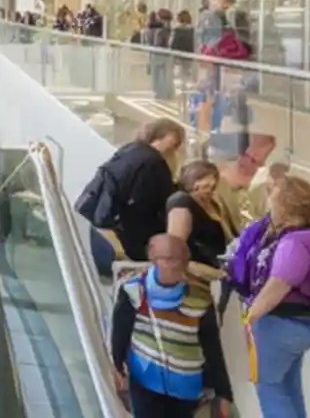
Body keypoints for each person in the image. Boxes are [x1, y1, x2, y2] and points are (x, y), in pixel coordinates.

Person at [110, 234, 233, 418]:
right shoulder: (133, 290)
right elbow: (120, 331)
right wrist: (117, 365)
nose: (175, 265)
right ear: (153, 259)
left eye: (180, 259)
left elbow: (212, 347)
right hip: (145, 379)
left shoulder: (200, 299)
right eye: (168, 259)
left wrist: (223, 393)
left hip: (185, 386)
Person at [229, 176, 310, 418]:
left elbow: (280, 284)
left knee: (270, 388)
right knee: (288, 385)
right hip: (307, 322)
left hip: (281, 323)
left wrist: (250, 316)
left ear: (285, 206)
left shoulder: (295, 242)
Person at [83, 118, 186, 276]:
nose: (175, 146)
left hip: (106, 219)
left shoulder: (129, 150)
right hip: (135, 236)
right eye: (174, 140)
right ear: (159, 136)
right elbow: (159, 201)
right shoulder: (154, 161)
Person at [166, 161, 235, 270]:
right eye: (205, 186)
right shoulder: (181, 201)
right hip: (199, 268)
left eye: (213, 187)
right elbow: (175, 243)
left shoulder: (215, 203)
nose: (209, 190)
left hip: (223, 262)